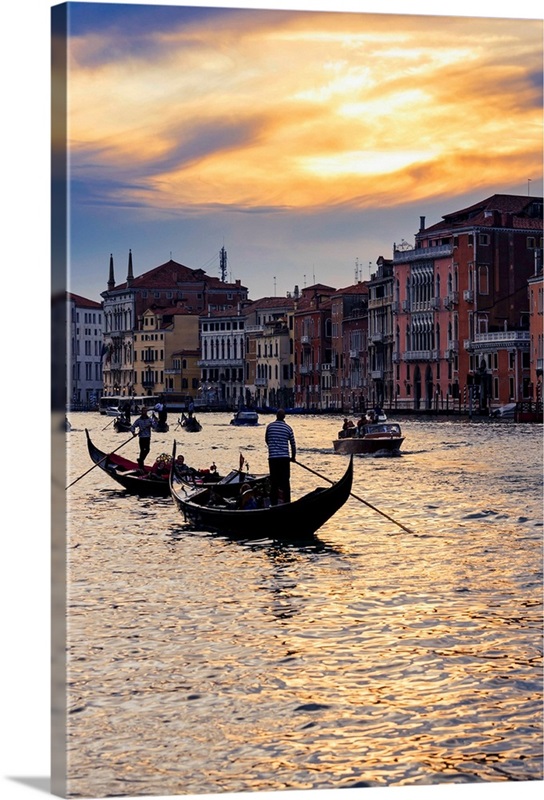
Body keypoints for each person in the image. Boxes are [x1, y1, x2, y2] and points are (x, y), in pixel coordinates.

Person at [265, 408, 296, 506]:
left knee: (274, 482)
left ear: (276, 416)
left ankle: (274, 504)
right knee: (285, 482)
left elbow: (267, 440)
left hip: (273, 458)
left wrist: (273, 448)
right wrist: (293, 457)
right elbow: (293, 444)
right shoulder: (288, 428)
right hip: (284, 459)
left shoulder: (270, 427)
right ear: (284, 417)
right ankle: (287, 503)